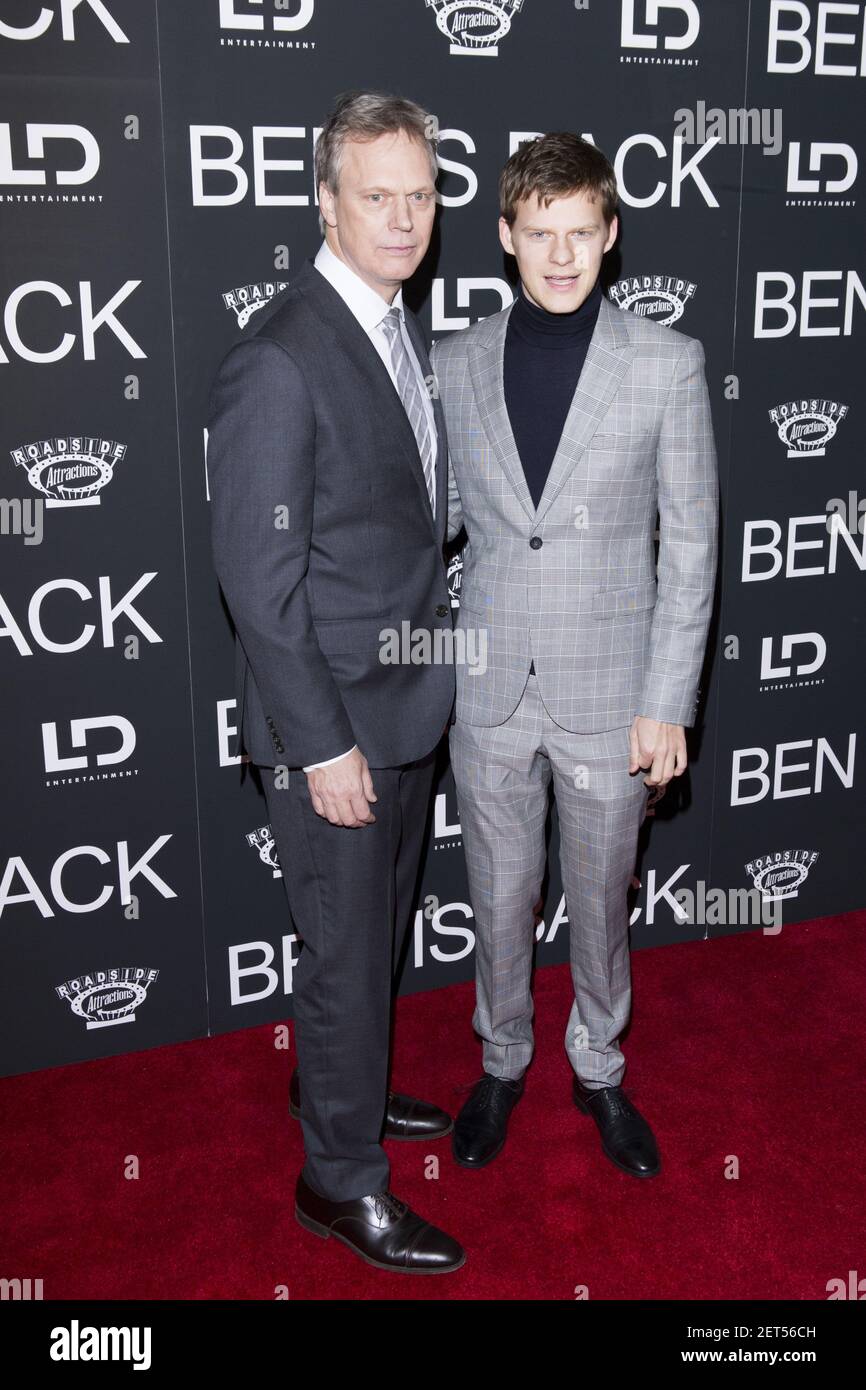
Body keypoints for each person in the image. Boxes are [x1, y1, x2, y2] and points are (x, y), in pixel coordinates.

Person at [208, 91, 464, 1274]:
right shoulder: (281, 354)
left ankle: (344, 1099)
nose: (405, 217)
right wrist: (320, 746)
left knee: (373, 943)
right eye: (378, 196)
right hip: (336, 728)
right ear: (325, 204)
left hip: (404, 703)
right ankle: (337, 1180)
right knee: (346, 955)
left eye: (420, 193)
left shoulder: (390, 322)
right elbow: (256, 587)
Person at [430, 132, 719, 1178]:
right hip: (490, 690)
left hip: (612, 697)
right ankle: (500, 1057)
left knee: (600, 903)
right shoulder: (454, 360)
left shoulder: (664, 363)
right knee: (496, 895)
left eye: (579, 234)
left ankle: (597, 1066)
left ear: (609, 235)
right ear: (504, 237)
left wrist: (667, 702)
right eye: (537, 234)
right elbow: (441, 522)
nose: (559, 256)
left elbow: (689, 546)